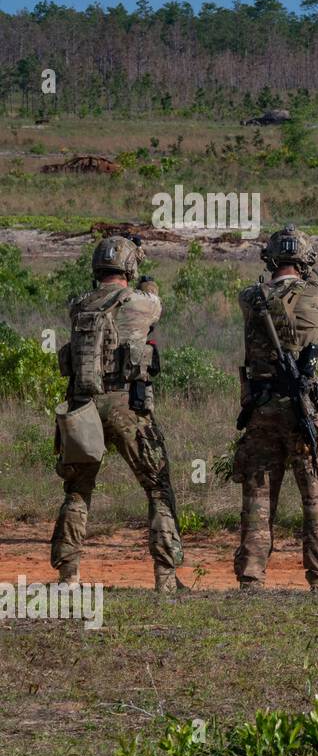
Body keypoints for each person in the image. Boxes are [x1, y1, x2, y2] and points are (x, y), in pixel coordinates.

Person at [51, 235, 185, 591]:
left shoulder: (79, 305)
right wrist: (147, 279)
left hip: (82, 406)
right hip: (126, 405)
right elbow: (155, 304)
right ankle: (166, 578)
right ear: (129, 266)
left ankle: (68, 575)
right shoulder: (139, 302)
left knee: (77, 491)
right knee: (157, 487)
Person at [232, 225, 318, 590]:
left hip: (261, 409)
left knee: (258, 499)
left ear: (270, 259)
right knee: (315, 496)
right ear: (305, 260)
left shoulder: (250, 297)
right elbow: (316, 287)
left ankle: (251, 576)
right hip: (303, 408)